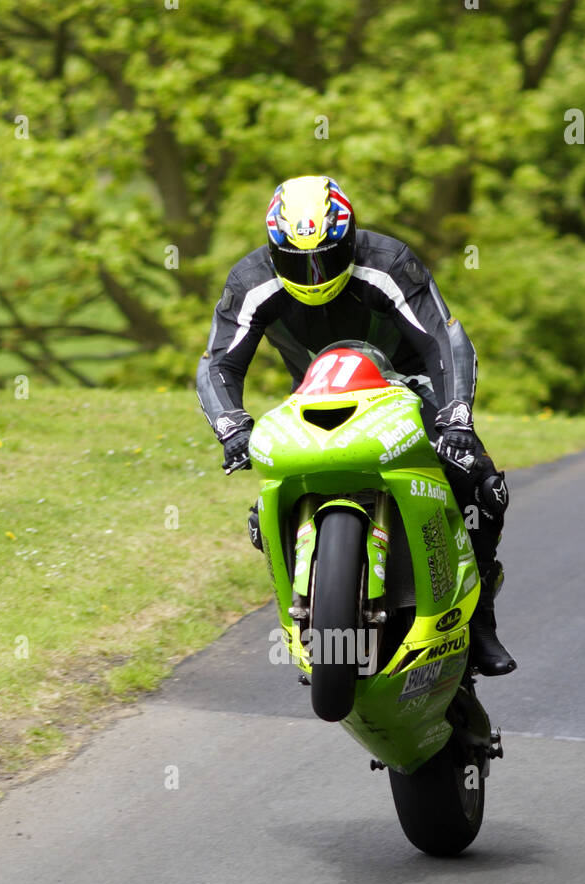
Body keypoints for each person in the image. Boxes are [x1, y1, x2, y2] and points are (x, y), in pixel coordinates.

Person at [196, 174, 515, 675]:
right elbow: (218, 363)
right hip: (315, 392)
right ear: (272, 249)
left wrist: (456, 417)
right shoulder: (249, 281)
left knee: (477, 480)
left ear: (350, 240)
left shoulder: (389, 262)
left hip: (405, 384)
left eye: (327, 256)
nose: (315, 274)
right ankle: (306, 609)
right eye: (297, 262)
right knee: (265, 503)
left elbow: (443, 337)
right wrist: (232, 428)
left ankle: (479, 622)